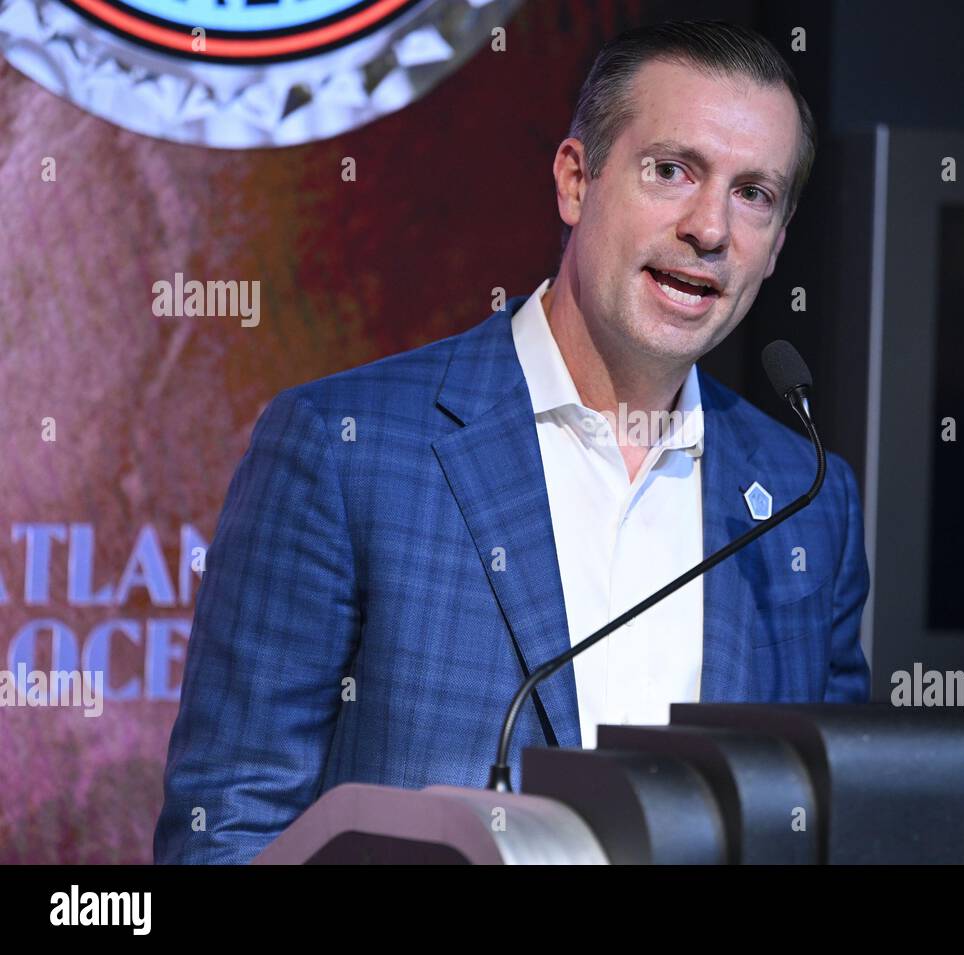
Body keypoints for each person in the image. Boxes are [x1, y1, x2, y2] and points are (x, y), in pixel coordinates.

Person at [155, 18, 870, 865]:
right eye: (672, 170)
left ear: (778, 241)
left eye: (754, 194)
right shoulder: (344, 449)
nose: (710, 228)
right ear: (576, 180)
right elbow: (225, 833)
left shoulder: (804, 498)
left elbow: (836, 832)